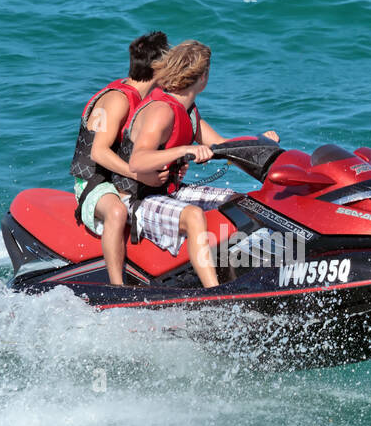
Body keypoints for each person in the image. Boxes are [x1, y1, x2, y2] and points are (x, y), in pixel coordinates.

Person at [122, 40, 277, 288]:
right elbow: (137, 161)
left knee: (242, 204)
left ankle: (239, 275)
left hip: (168, 191)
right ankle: (214, 294)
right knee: (193, 216)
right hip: (135, 198)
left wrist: (260, 143)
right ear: (203, 77)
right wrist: (184, 149)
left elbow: (222, 146)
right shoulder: (162, 111)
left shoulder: (188, 111)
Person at [68, 31, 169, 285]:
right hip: (93, 183)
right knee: (115, 212)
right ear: (157, 67)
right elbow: (98, 152)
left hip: (118, 179)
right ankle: (117, 286)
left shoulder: (146, 99)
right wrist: (139, 173)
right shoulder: (118, 100)